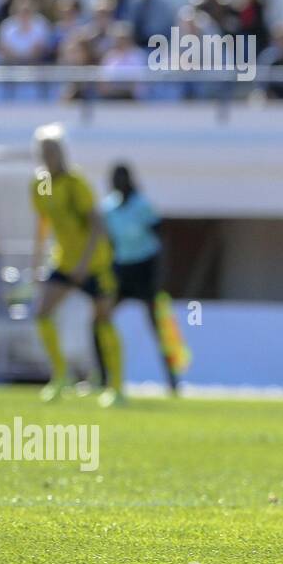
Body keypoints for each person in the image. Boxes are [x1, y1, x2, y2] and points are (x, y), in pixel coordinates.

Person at [30, 124, 126, 406]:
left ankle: (116, 386)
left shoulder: (76, 183)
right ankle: (61, 376)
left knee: (103, 320)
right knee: (42, 312)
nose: (50, 156)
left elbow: (97, 224)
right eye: (45, 151)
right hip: (64, 261)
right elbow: (44, 220)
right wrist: (38, 260)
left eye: (55, 150)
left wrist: (85, 262)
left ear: (63, 152)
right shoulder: (42, 185)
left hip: (95, 264)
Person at [102, 164, 186, 394]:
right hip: (121, 270)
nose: (119, 182)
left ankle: (173, 380)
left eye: (123, 178)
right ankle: (102, 378)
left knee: (158, 327)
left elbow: (161, 239)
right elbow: (108, 241)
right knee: (100, 319)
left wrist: (161, 274)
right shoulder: (108, 207)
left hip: (144, 269)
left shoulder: (142, 206)